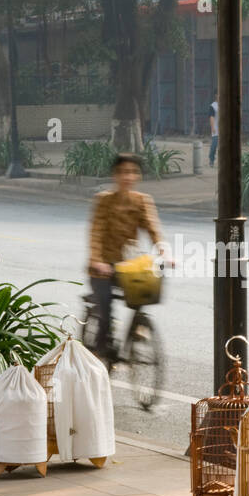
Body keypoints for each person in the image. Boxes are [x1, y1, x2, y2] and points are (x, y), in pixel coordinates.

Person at [87, 153, 168, 364]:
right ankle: (99, 350)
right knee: (105, 307)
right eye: (123, 172)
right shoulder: (104, 200)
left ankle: (138, 326)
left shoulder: (142, 201)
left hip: (127, 266)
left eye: (133, 172)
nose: (128, 176)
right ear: (115, 175)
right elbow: (96, 232)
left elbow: (153, 229)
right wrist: (97, 260)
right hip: (102, 267)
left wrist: (163, 250)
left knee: (147, 287)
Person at [208, 91, 220, 167]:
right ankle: (211, 159)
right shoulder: (213, 106)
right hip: (216, 129)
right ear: (216, 95)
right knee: (214, 145)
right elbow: (211, 117)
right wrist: (213, 128)